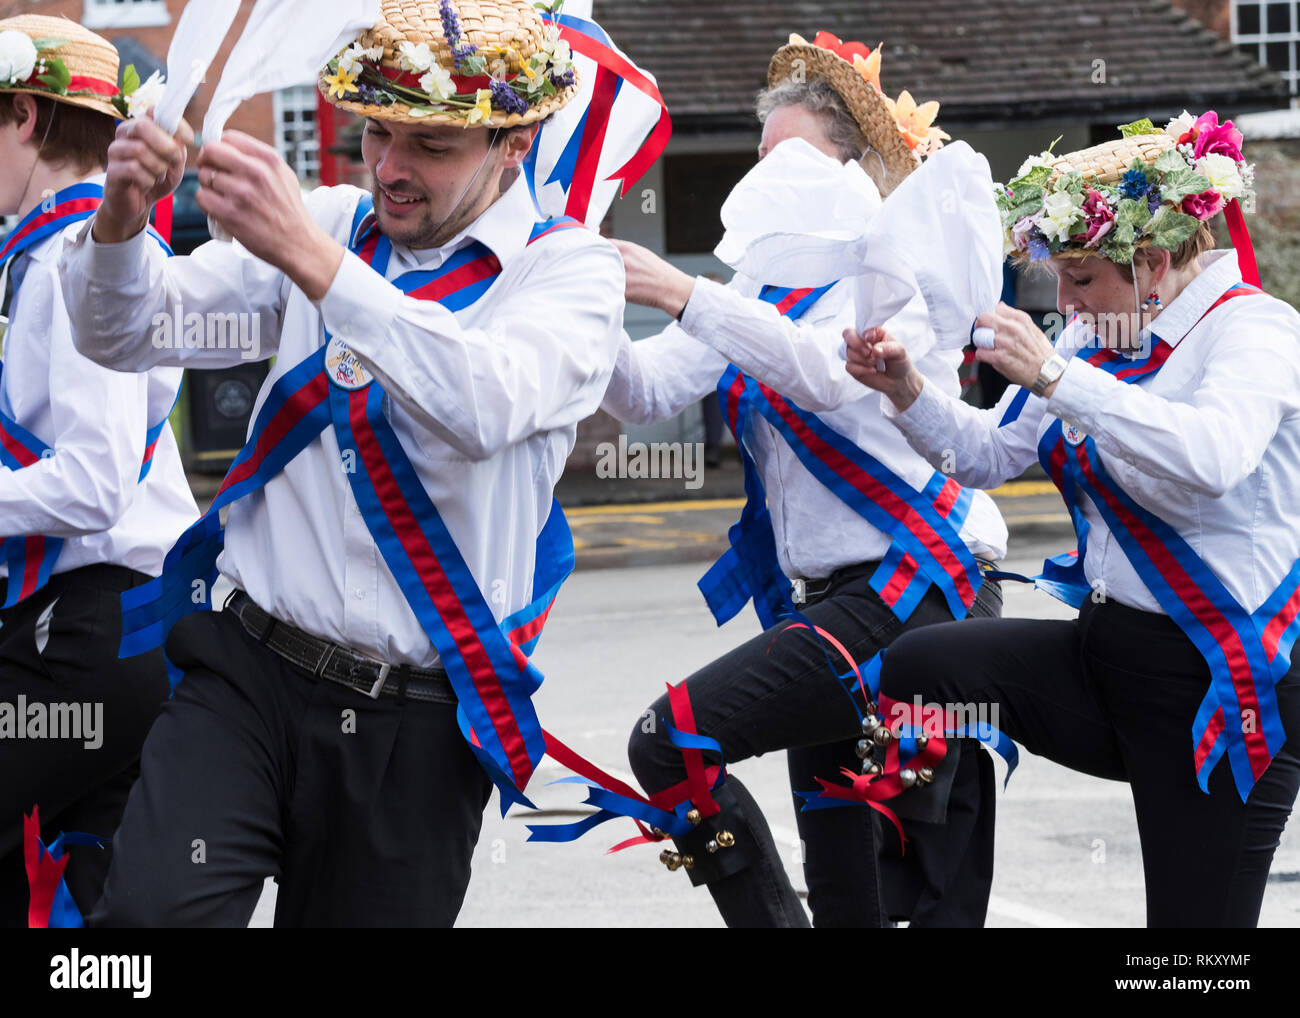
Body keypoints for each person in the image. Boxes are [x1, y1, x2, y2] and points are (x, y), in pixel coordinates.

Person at [59, 0, 624, 927]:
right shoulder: (330, 224)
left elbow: (481, 401)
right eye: (376, 132)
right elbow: (126, 332)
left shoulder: (570, 275)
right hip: (246, 676)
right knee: (147, 924)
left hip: (417, 725)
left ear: (514, 142)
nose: (391, 168)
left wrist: (318, 264)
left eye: (431, 145)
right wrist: (120, 217)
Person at [844, 112, 1300, 927]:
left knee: (1194, 953)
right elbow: (984, 455)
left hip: (1225, 679)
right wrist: (906, 391)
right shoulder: (1097, 338)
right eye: (1059, 278)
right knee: (923, 667)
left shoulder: (1253, 329)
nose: (1063, 302)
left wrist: (1058, 374)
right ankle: (931, 915)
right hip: (1108, 655)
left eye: (1082, 278)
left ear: (1156, 262)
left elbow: (1213, 454)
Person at [603, 32, 1007, 927]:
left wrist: (684, 292)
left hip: (920, 598)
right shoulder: (755, 284)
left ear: (851, 164)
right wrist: (574, 305)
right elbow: (646, 391)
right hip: (830, 604)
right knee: (842, 890)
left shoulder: (903, 268)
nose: (764, 179)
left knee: (929, 887)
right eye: (759, 158)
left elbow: (826, 375)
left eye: (786, 156)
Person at [0, 16, 196, 926]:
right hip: (91, 630)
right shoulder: (44, 254)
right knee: (85, 896)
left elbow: (93, 482)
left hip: (94, 633)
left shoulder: (78, 261)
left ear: (27, 119)